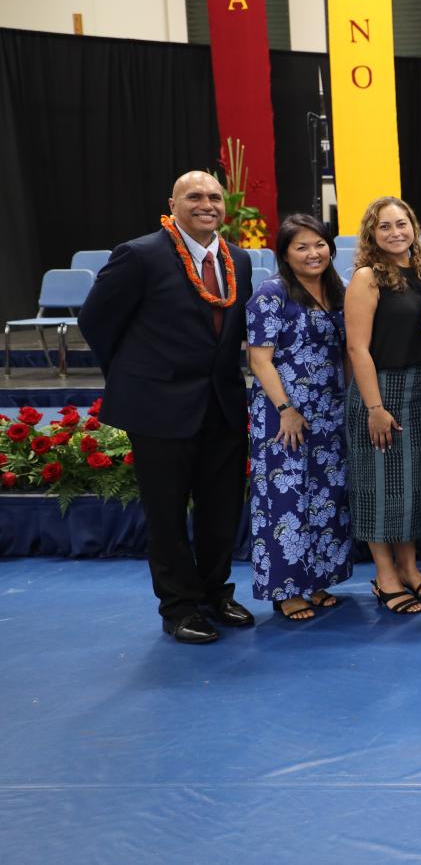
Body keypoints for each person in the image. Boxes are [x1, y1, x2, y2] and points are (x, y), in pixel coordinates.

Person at [78, 171, 257, 644]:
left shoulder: (238, 259)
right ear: (173, 204)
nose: (207, 204)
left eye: (215, 197)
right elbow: (95, 321)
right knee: (167, 514)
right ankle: (179, 606)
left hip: (222, 404)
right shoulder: (139, 255)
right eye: (194, 196)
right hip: (158, 408)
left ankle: (215, 593)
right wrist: (137, 374)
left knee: (221, 510)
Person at [243, 214, 353, 621]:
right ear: (285, 254)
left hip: (329, 411)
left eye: (319, 244)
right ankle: (287, 589)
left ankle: (317, 579)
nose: (313, 253)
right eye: (301, 247)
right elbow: (260, 360)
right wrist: (285, 410)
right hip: (284, 414)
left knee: (326, 496)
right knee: (285, 500)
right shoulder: (270, 295)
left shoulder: (337, 291)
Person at [344, 196, 421, 616]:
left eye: (401, 224)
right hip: (382, 392)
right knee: (379, 490)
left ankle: (409, 567)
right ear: (372, 234)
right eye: (384, 226)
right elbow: (357, 348)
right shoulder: (367, 278)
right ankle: (385, 575)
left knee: (411, 489)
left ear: (413, 227)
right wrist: (374, 407)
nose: (395, 232)